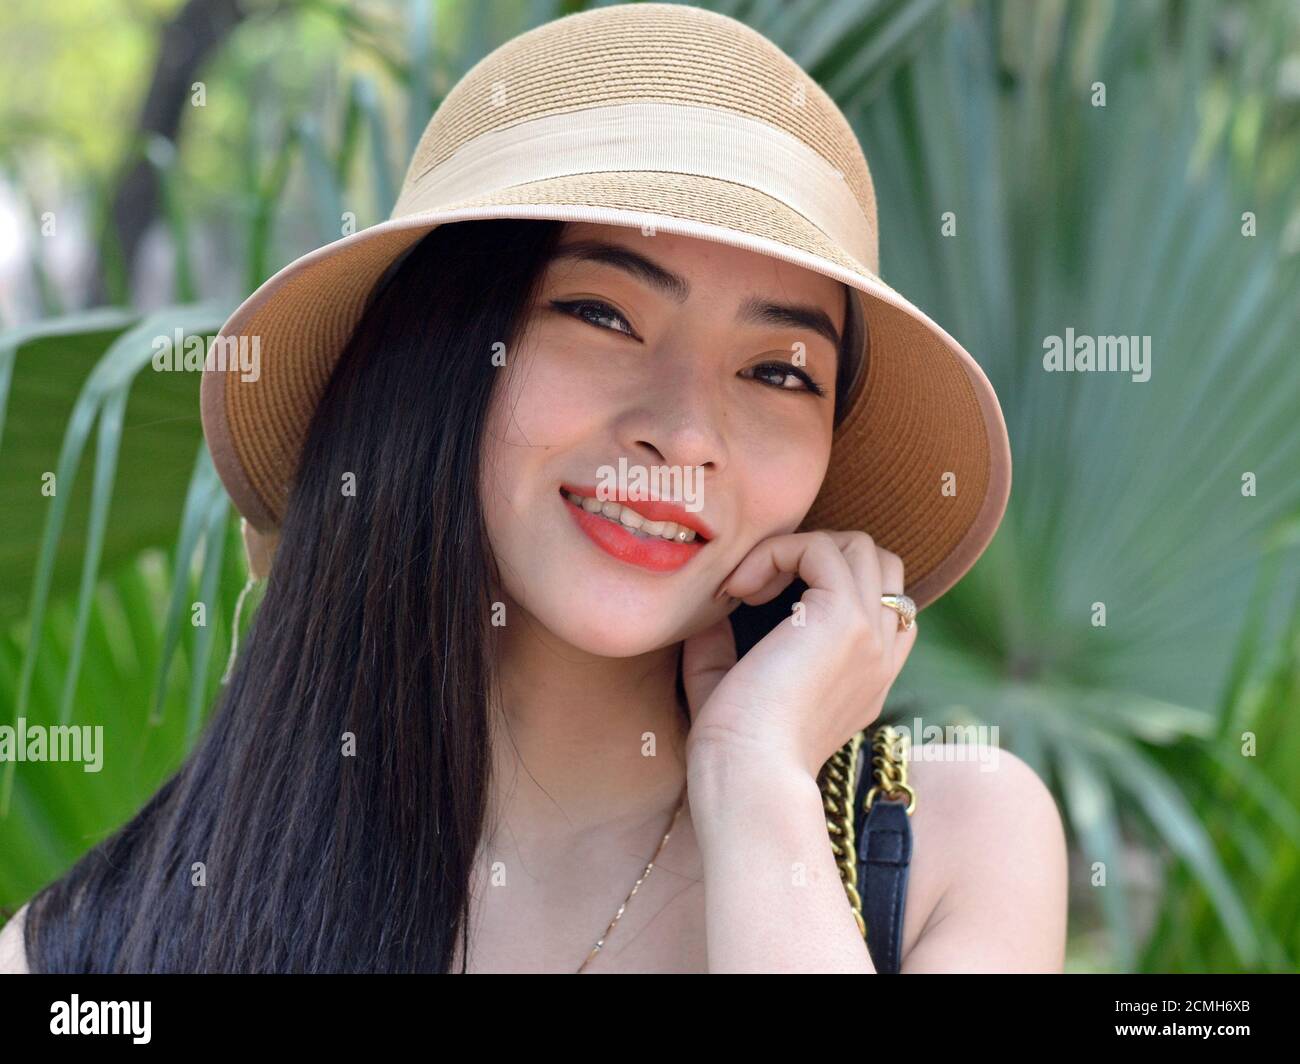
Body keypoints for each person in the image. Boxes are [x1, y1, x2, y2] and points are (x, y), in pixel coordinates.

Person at [1, 3, 1065, 974]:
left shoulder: (948, 846)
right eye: (602, 314)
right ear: (438, 350)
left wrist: (755, 785)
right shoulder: (97, 951)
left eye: (779, 371)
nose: (684, 432)